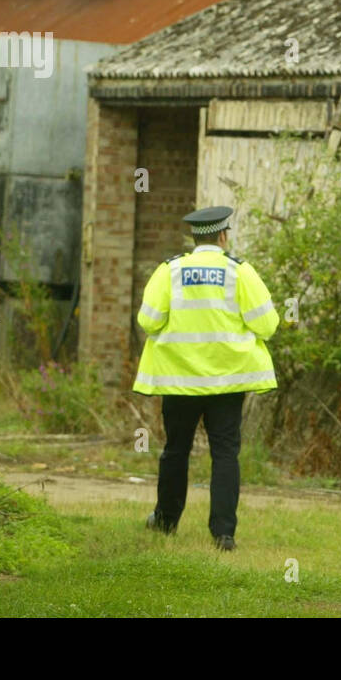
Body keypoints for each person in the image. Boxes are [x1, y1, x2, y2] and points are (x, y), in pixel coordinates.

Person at [132, 205, 279, 551]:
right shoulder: (240, 272)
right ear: (223, 236)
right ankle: (224, 533)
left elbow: (148, 321)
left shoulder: (169, 271)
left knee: (175, 450)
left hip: (180, 382)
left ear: (194, 238)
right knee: (225, 453)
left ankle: (166, 521)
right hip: (226, 384)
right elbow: (268, 325)